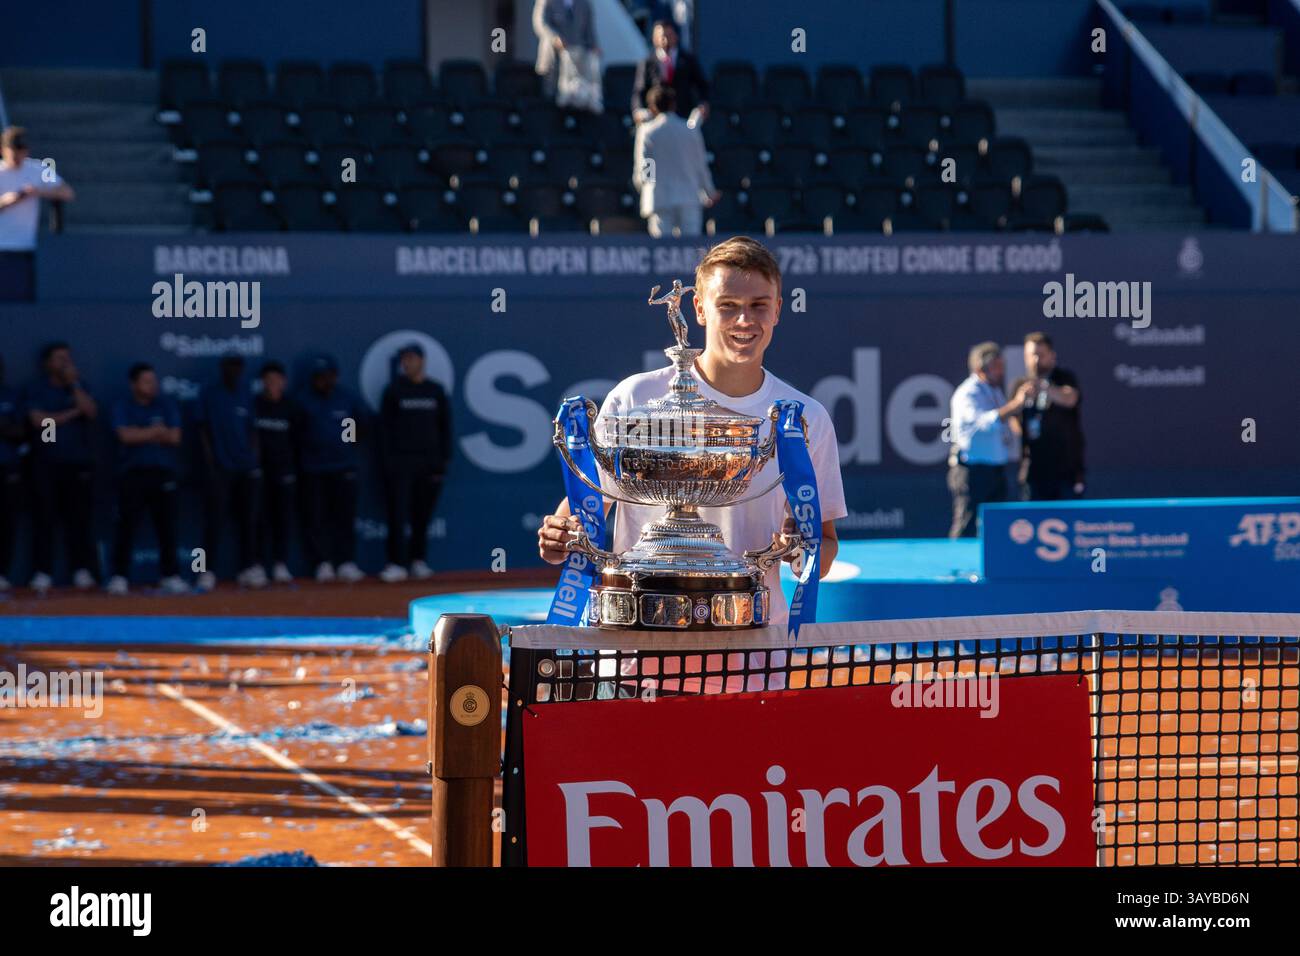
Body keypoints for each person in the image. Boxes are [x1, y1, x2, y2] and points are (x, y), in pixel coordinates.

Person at [536, 236, 847, 634]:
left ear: (778, 311)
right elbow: (587, 509)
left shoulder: (806, 419)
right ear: (699, 309)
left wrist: (801, 550)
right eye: (728, 306)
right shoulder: (635, 397)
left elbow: (824, 547)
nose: (744, 321)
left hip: (750, 648)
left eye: (758, 306)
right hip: (639, 644)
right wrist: (561, 534)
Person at [24, 342, 100, 592]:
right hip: (46, 463)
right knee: (44, 521)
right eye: (59, 359)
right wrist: (70, 414)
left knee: (78, 521)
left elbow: (89, 411)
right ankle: (42, 572)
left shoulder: (80, 386)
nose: (65, 363)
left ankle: (81, 570)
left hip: (77, 463)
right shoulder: (37, 389)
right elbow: (41, 422)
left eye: (68, 358)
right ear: (47, 363)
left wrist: (75, 386)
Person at [107, 363, 186, 595]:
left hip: (163, 472)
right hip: (133, 473)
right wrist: (155, 432)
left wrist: (141, 433)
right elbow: (124, 435)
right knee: (126, 526)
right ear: (134, 384)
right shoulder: (123, 406)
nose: (153, 385)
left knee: (167, 526)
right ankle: (120, 576)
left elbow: (174, 437)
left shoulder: (166, 404)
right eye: (146, 381)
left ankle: (170, 575)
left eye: (154, 380)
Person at [378, 343, 453, 583]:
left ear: (422, 360)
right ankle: (396, 564)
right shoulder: (393, 390)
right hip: (400, 464)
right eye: (404, 359)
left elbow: (445, 428)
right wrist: (388, 461)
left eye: (411, 358)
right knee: (397, 515)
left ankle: (418, 561)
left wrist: (442, 461)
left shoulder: (435, 390)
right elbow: (385, 430)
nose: (407, 363)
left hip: (429, 465)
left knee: (422, 515)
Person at [947, 342, 1034, 539]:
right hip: (973, 471)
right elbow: (982, 423)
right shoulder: (968, 393)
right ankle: (956, 570)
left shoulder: (994, 391)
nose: (1001, 371)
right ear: (981, 368)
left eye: (1002, 366)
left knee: (994, 527)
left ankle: (987, 569)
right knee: (967, 525)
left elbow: (1004, 424)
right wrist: (1016, 404)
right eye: (996, 366)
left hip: (995, 471)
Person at [195, 355, 263, 590]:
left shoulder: (246, 393)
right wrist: (211, 463)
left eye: (238, 366)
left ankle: (247, 568)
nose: (234, 371)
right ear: (222, 368)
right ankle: (204, 571)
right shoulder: (209, 393)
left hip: (245, 467)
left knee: (248, 520)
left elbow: (252, 429)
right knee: (213, 522)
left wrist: (253, 460)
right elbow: (202, 428)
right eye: (229, 366)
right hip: (220, 468)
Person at [297, 355, 367, 583]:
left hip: (344, 467)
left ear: (335, 376)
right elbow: (295, 433)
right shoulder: (303, 400)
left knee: (344, 517)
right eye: (318, 377)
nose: (322, 381)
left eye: (326, 376)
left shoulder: (347, 398)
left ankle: (346, 562)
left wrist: (348, 447)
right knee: (316, 518)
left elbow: (364, 425)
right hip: (313, 469)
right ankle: (321, 563)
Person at [633, 85, 719, 238]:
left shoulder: (647, 131)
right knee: (691, 253)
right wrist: (709, 191)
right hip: (689, 198)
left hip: (660, 200)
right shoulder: (689, 131)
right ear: (673, 105)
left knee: (663, 253)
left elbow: (646, 170)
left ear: (652, 107)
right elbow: (700, 165)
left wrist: (646, 187)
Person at [0, 126, 75, 302]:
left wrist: (37, 191)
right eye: (14, 152)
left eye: (22, 151)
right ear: (3, 150)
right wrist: (7, 200)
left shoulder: (38, 169)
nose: (18, 157)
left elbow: (67, 193)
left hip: (26, 249)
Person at [1011, 332, 1086, 501]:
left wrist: (1044, 388)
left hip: (1066, 470)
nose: (1036, 360)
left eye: (1041, 355)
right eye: (1032, 355)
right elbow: (1015, 426)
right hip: (1033, 471)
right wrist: (1020, 402)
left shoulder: (1064, 378)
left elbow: (1071, 398)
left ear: (1052, 356)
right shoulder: (1019, 385)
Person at [253, 361, 301, 584]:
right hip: (259, 473)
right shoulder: (255, 405)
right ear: (263, 382)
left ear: (284, 382)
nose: (272, 384)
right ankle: (259, 565)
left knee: (282, 519)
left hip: (285, 472)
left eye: (277, 379)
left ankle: (280, 564)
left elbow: (299, 441)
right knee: (260, 519)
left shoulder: (291, 407)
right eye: (268, 380)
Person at [632, 20, 710, 124]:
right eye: (661, 36)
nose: (665, 40)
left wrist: (703, 104)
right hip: (655, 119)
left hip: (683, 117)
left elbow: (702, 85)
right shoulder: (647, 63)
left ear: (676, 36)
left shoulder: (688, 60)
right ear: (654, 39)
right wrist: (638, 111)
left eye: (669, 35)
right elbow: (639, 90)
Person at [532, 0, 600, 101]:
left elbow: (589, 31)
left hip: (576, 64)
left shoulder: (584, 3)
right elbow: (540, 23)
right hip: (552, 62)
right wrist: (554, 38)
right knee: (549, 99)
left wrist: (594, 47)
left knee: (576, 100)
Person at [0, 354, 26, 592]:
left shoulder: (11, 396)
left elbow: (32, 428)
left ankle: (2, 573)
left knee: (7, 522)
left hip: (8, 466)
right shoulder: (42, 391)